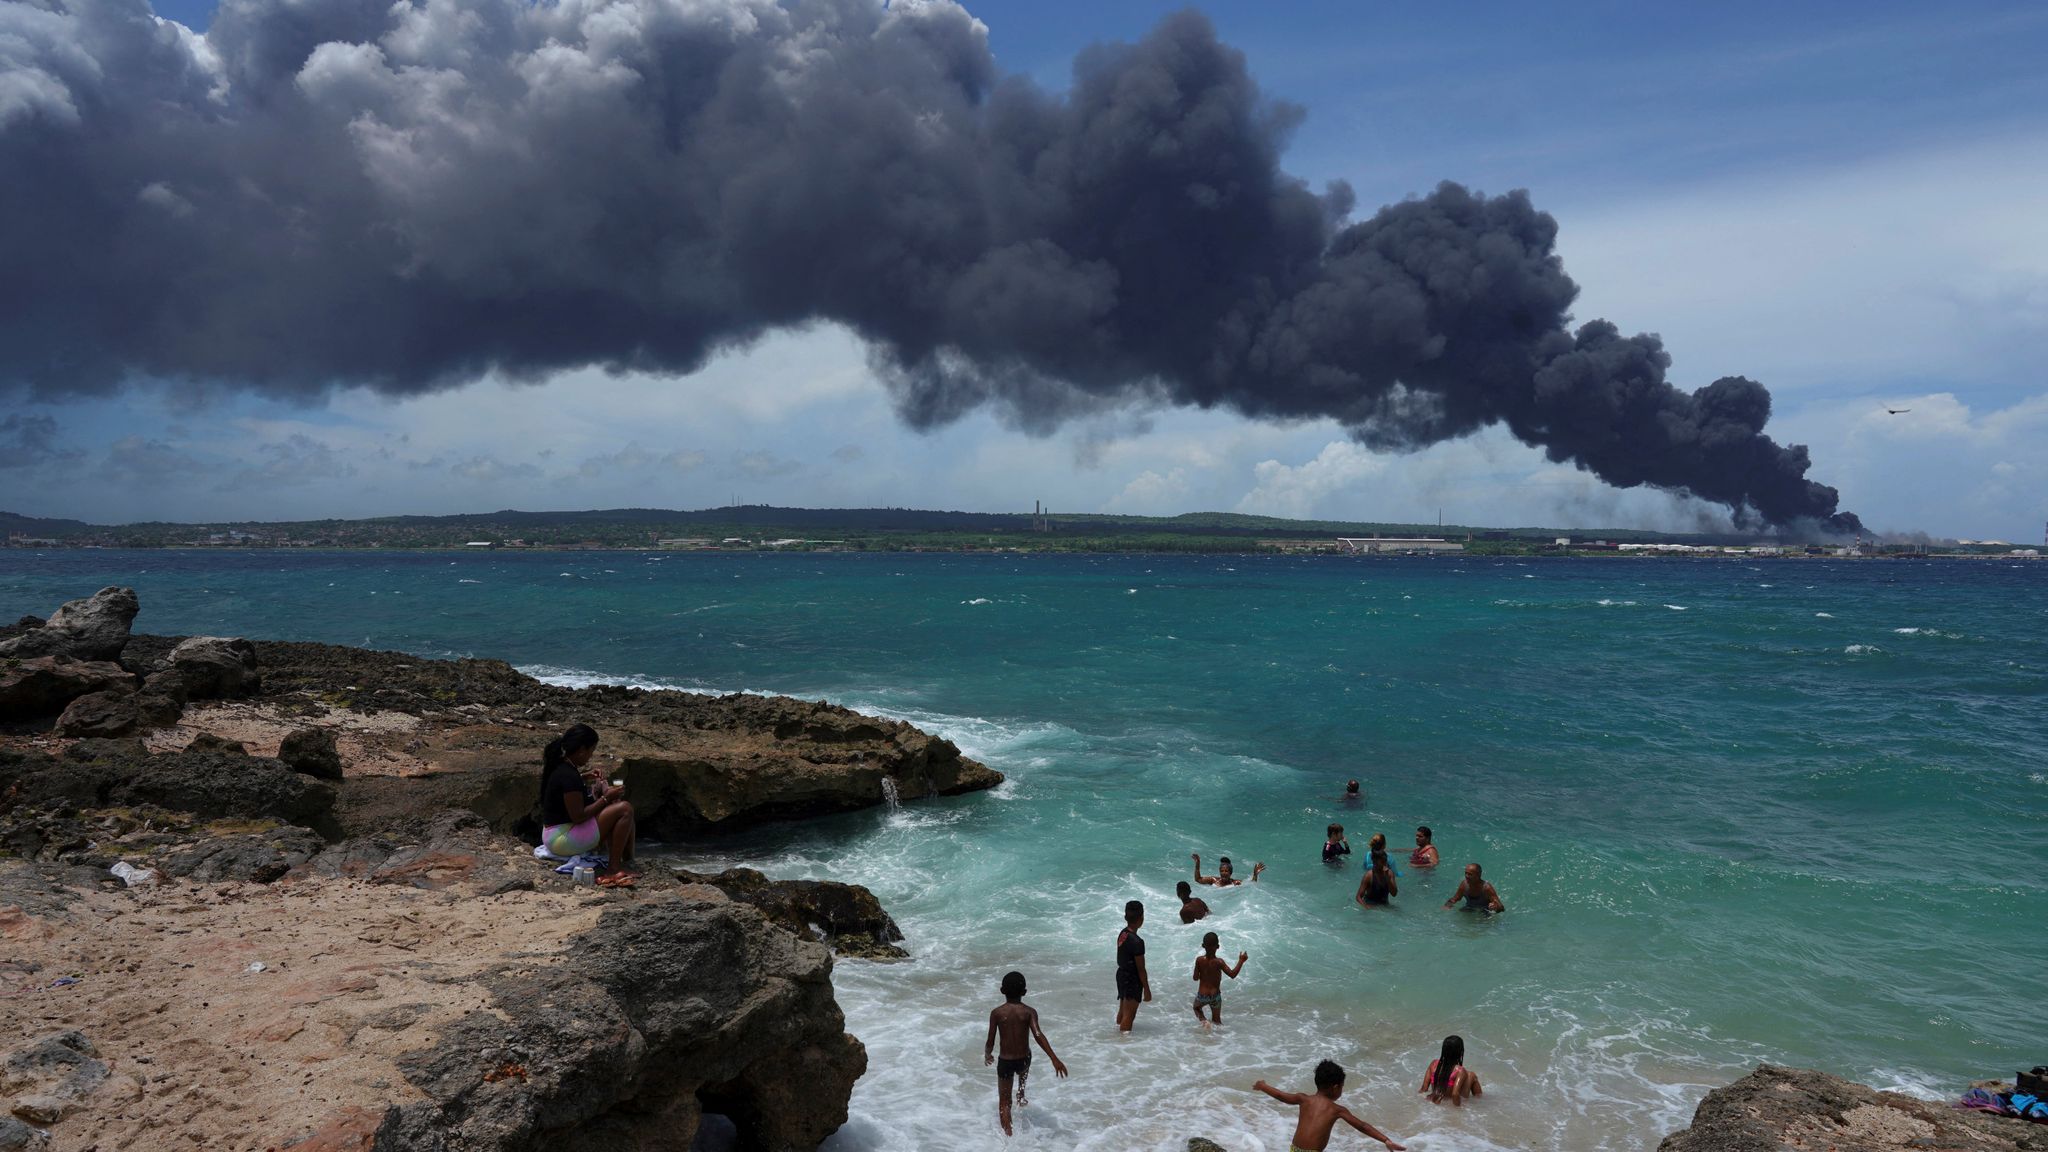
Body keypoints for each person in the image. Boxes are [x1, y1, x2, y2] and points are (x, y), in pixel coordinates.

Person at [538, 724, 637, 885]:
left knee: (621, 809)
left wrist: (584, 777)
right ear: (582, 750)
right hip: (561, 839)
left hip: (554, 833)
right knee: (625, 809)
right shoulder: (568, 776)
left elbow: (567, 788)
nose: (591, 756)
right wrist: (605, 798)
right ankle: (613, 868)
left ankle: (628, 861)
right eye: (591, 751)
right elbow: (578, 816)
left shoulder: (562, 766)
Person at [1253, 1060, 1406, 1151]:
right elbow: (1362, 1126)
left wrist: (1263, 1086)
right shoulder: (1337, 1110)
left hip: (1294, 1149)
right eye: (1342, 1086)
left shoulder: (1303, 1099)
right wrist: (1386, 1140)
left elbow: (1281, 1096)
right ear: (1335, 1087)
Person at [985, 971, 1068, 1135]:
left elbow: (990, 1040)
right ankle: (1021, 1094)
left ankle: (1008, 1135)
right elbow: (1038, 1034)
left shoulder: (997, 1013)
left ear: (1002, 990)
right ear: (1024, 992)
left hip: (1005, 1062)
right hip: (1023, 1059)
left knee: (1004, 1102)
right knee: (1025, 1063)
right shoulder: (1029, 1012)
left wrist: (987, 1054)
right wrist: (1054, 1058)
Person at [1190, 931, 1247, 1030]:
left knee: (1196, 1008)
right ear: (1218, 947)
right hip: (1215, 996)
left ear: (1203, 946)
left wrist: (1202, 974)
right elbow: (1232, 974)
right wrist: (1241, 961)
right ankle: (1221, 1036)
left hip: (1202, 995)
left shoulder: (1199, 960)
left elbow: (1195, 978)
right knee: (1217, 1021)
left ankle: (1204, 1022)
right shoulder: (1219, 962)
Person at [1115, 900, 1151, 1032]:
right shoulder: (1138, 942)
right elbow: (1141, 969)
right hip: (1132, 980)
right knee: (1129, 1016)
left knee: (1123, 1011)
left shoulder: (1123, 934)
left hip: (1121, 975)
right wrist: (1146, 989)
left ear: (1126, 917)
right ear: (1142, 918)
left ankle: (1115, 1038)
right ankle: (1123, 1041)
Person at [1419, 1035, 1481, 1106]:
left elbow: (1424, 1088)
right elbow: (1455, 1094)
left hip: (1437, 1100)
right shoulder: (1460, 1070)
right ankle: (1480, 1103)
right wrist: (1458, 1109)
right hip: (1451, 1102)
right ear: (1460, 1052)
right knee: (1472, 1075)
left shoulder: (1433, 1064)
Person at [1193, 853, 1266, 886]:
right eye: (1222, 871)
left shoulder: (1235, 883)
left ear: (1230, 873)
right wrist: (1197, 863)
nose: (1223, 873)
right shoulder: (1213, 880)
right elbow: (1198, 879)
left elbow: (1251, 884)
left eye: (1226, 871)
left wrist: (1255, 874)